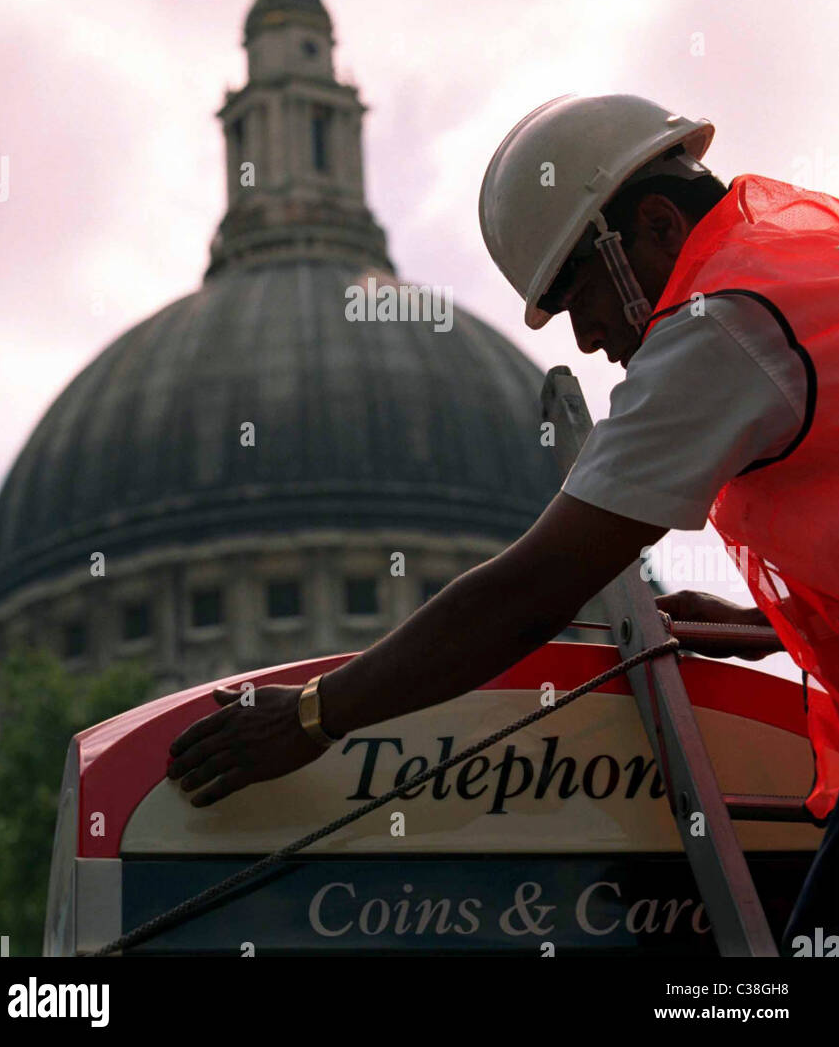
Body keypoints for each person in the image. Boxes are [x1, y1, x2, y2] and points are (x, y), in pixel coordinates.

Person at [167, 93, 839, 955]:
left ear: (661, 227)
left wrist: (312, 716)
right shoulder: (799, 254)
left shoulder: (724, 321)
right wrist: (779, 627)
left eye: (578, 292)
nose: (589, 338)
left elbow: (528, 592)